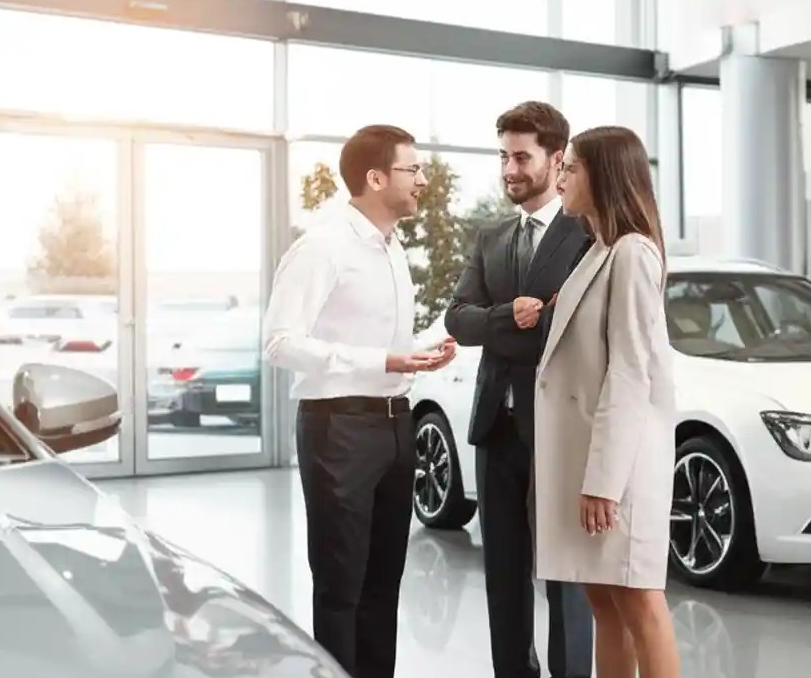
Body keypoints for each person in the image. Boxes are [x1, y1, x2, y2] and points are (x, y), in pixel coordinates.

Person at [263, 124, 457, 678]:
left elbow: (378, 345)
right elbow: (280, 344)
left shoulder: (392, 248)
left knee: (382, 586)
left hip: (395, 426)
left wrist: (418, 352)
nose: (422, 179)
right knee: (342, 586)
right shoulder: (322, 247)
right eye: (411, 169)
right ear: (375, 178)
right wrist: (385, 361)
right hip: (338, 431)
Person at [445, 101, 594, 678]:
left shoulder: (587, 234)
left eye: (522, 157)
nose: (509, 168)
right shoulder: (491, 237)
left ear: (557, 159)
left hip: (559, 425)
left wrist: (500, 326)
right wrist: (510, 316)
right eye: (503, 156)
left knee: (565, 577)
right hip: (496, 427)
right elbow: (459, 318)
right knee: (502, 572)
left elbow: (574, 331)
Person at [533, 125, 679, 678]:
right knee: (604, 602)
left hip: (622, 464)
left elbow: (631, 371)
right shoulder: (600, 250)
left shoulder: (633, 253)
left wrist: (603, 481)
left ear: (605, 176)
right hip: (591, 457)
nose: (560, 177)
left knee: (639, 601)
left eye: (570, 168)